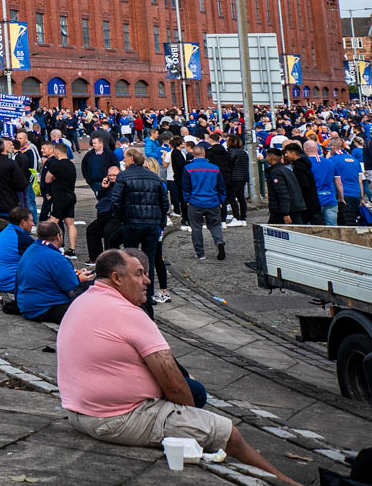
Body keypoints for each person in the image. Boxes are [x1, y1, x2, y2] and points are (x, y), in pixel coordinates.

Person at [57, 249, 298, 484]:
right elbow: (175, 386)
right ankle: (286, 481)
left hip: (78, 411)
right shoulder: (130, 314)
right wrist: (191, 419)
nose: (147, 280)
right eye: (139, 274)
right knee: (227, 432)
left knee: (193, 392)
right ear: (117, 278)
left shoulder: (83, 300)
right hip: (114, 418)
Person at [114, 146, 171, 307]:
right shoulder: (154, 177)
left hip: (131, 222)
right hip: (151, 223)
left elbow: (116, 200)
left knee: (129, 258)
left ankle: (130, 291)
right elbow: (164, 203)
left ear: (131, 159)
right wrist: (160, 222)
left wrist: (121, 219)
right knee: (149, 259)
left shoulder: (124, 176)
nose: (124, 160)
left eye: (126, 157)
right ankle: (148, 293)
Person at [16, 220, 89, 324]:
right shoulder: (56, 258)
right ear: (58, 236)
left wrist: (76, 274)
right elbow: (73, 290)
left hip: (26, 304)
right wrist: (81, 279)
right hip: (44, 307)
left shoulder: (31, 249)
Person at [182, 140, 227, 261]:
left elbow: (185, 186)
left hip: (195, 201)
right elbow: (221, 186)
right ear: (204, 154)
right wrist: (221, 200)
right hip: (212, 201)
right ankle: (219, 241)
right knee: (215, 225)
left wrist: (187, 199)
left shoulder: (188, 168)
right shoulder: (215, 168)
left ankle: (200, 253)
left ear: (193, 154)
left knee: (196, 228)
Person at [40, 140, 80, 255]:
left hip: (60, 197)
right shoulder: (71, 165)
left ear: (57, 152)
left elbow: (47, 179)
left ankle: (47, 245)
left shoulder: (56, 165)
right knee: (70, 223)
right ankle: (72, 249)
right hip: (71, 195)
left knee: (52, 222)